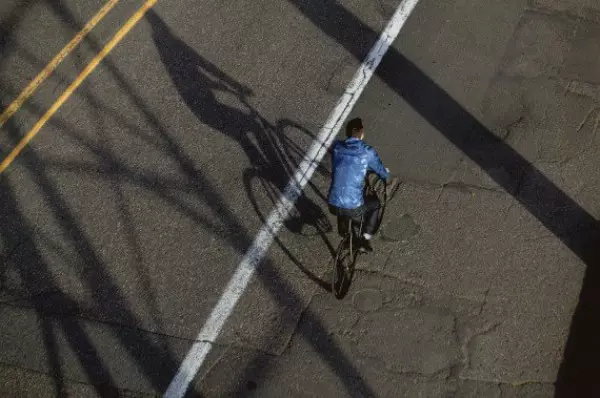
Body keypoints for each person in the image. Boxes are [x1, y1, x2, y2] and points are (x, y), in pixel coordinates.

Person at [327, 117, 392, 253]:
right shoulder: (367, 151)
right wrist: (385, 174)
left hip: (332, 205)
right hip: (353, 206)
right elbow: (380, 170)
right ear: (361, 133)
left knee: (341, 200)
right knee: (375, 204)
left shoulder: (337, 146)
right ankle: (365, 238)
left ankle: (345, 235)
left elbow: (331, 147)